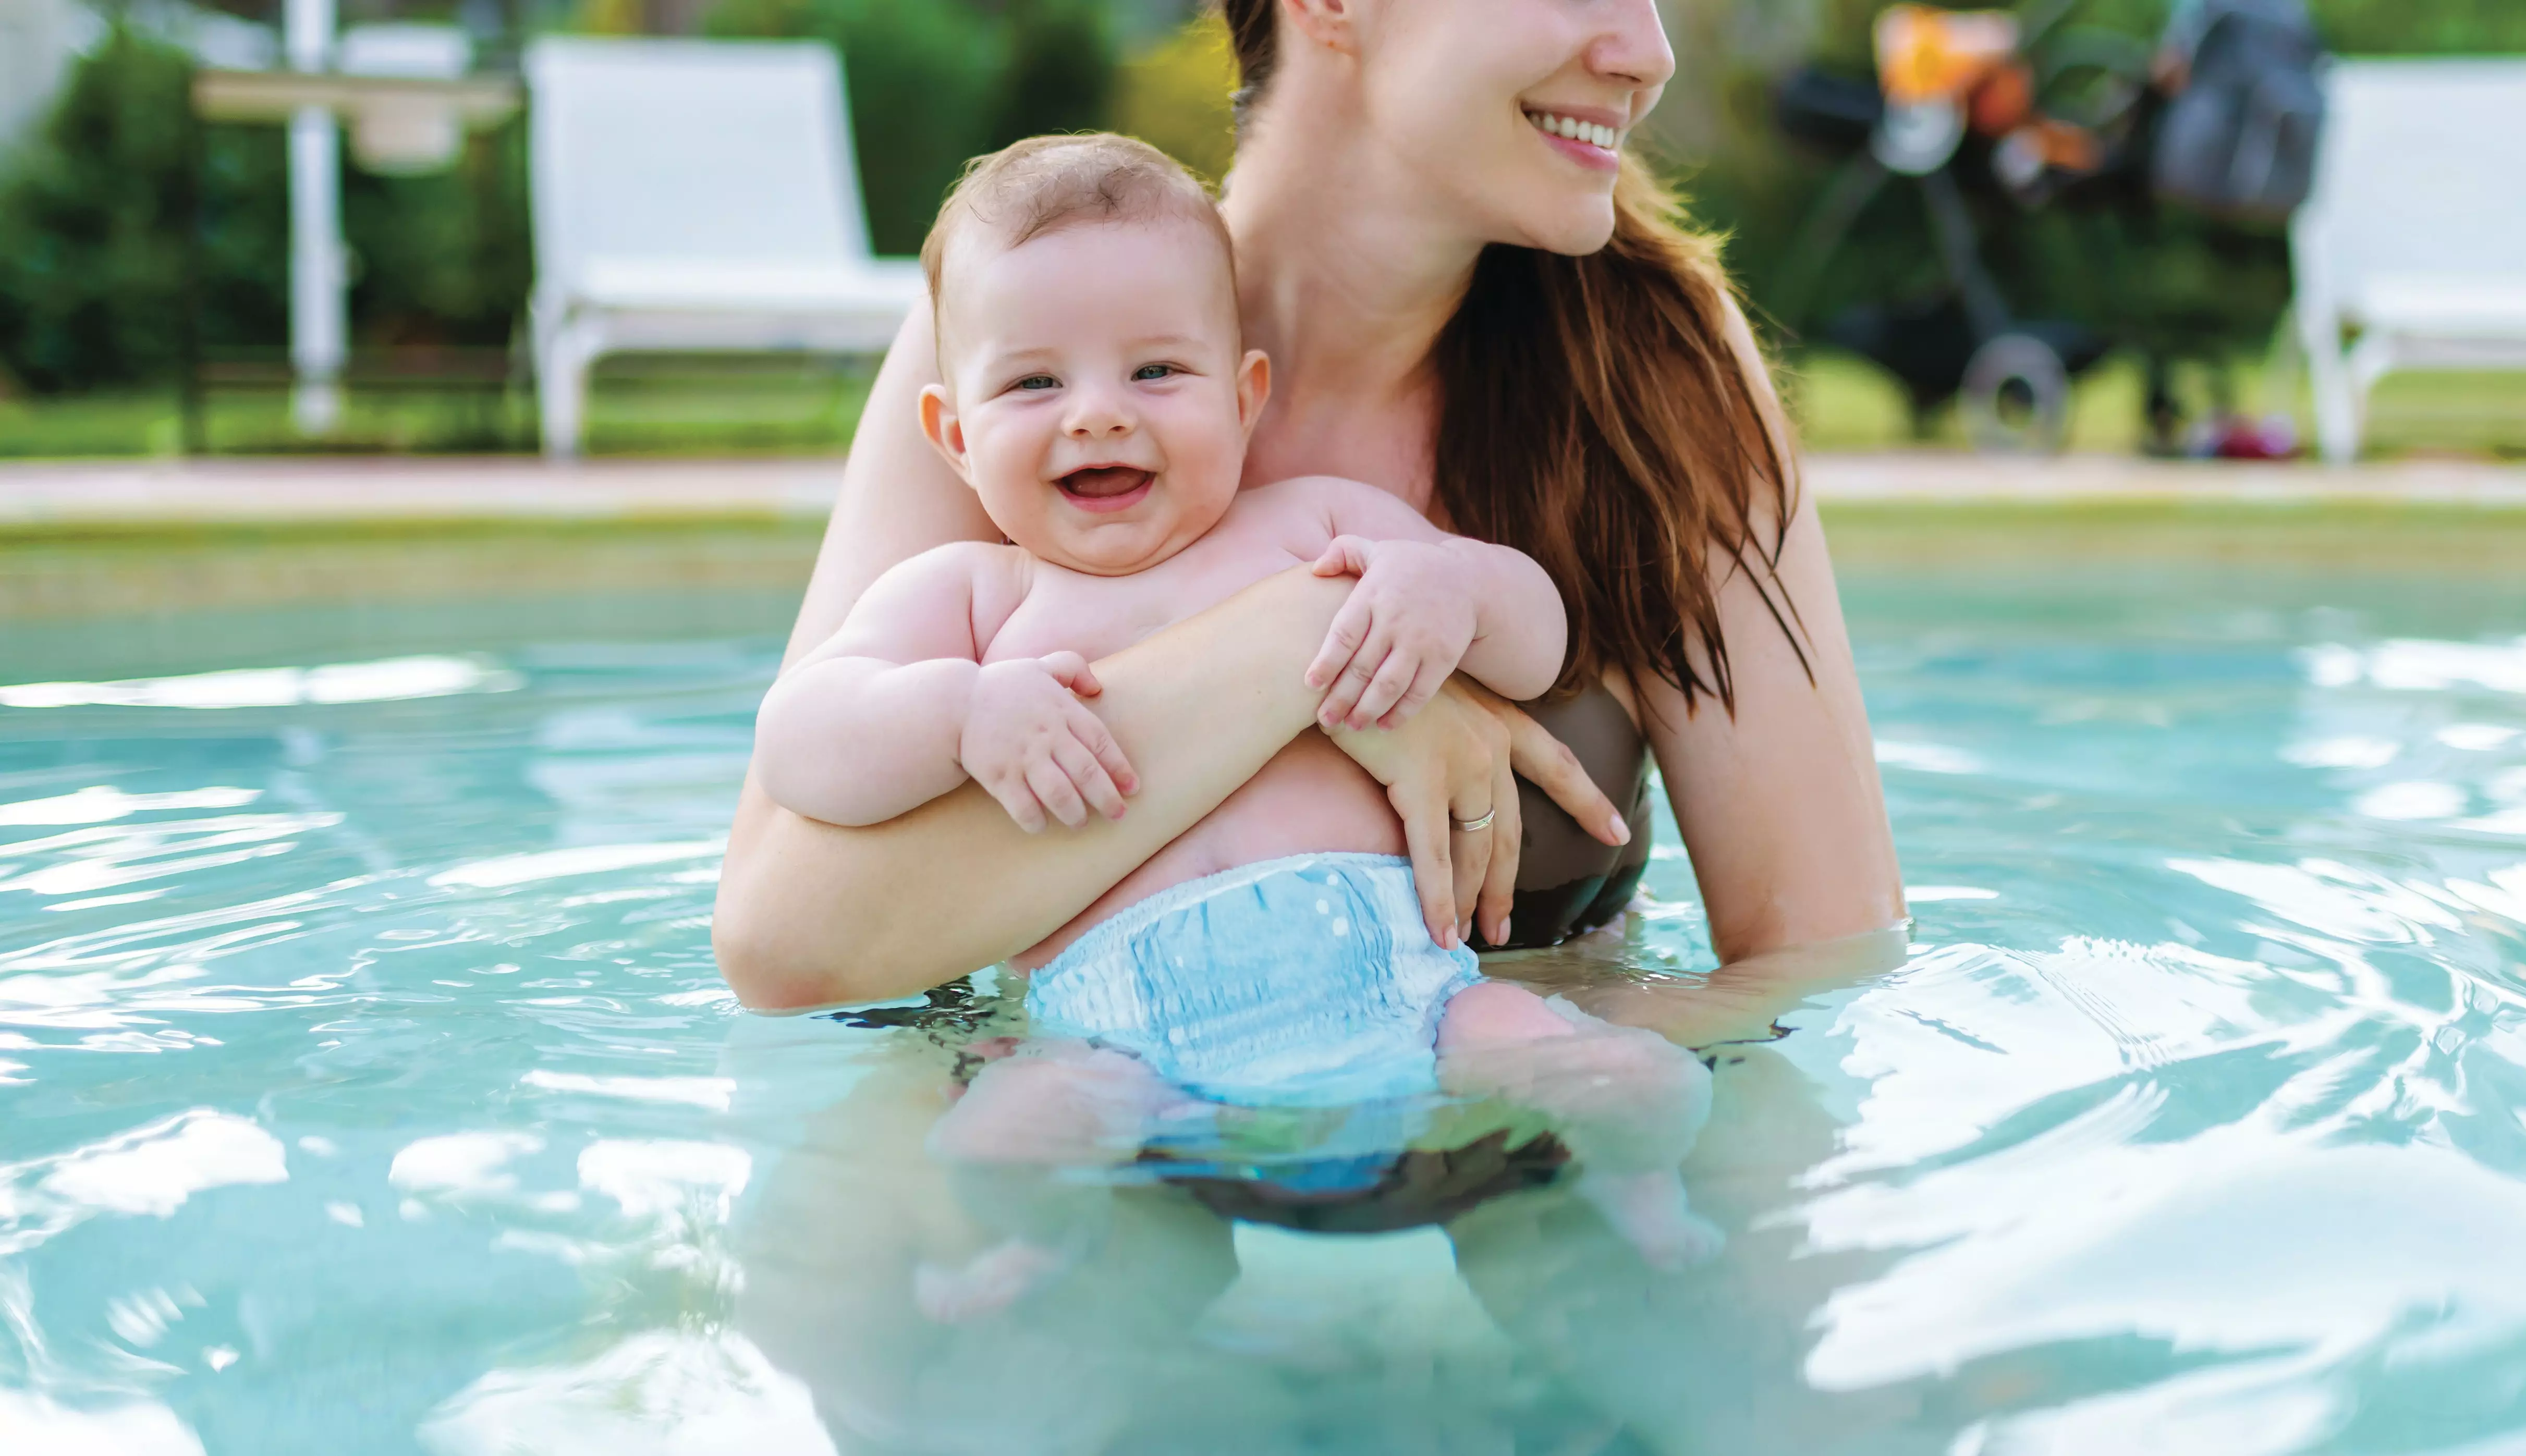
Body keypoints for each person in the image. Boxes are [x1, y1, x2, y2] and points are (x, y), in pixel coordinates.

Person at [714, 0, 1901, 1037]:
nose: (1647, 51)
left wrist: (1465, 1066)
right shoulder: (1020, 339)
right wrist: (1304, 650)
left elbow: (1825, 960)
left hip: (1521, 1147)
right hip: (1113, 1142)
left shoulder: (1654, 374)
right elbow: (785, 947)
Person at [755, 135, 1723, 1313]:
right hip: (1118, 1043)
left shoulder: (1312, 526)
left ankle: (1633, 1185)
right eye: (1034, 384)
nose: (1097, 417)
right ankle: (1036, 1246)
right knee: (998, 1142)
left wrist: (1455, 588)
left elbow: (1541, 640)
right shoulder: (971, 598)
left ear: (1245, 395)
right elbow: (800, 739)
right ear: (953, 434)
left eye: (1157, 371)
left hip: (1407, 1004)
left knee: (1620, 1075)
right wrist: (957, 712)